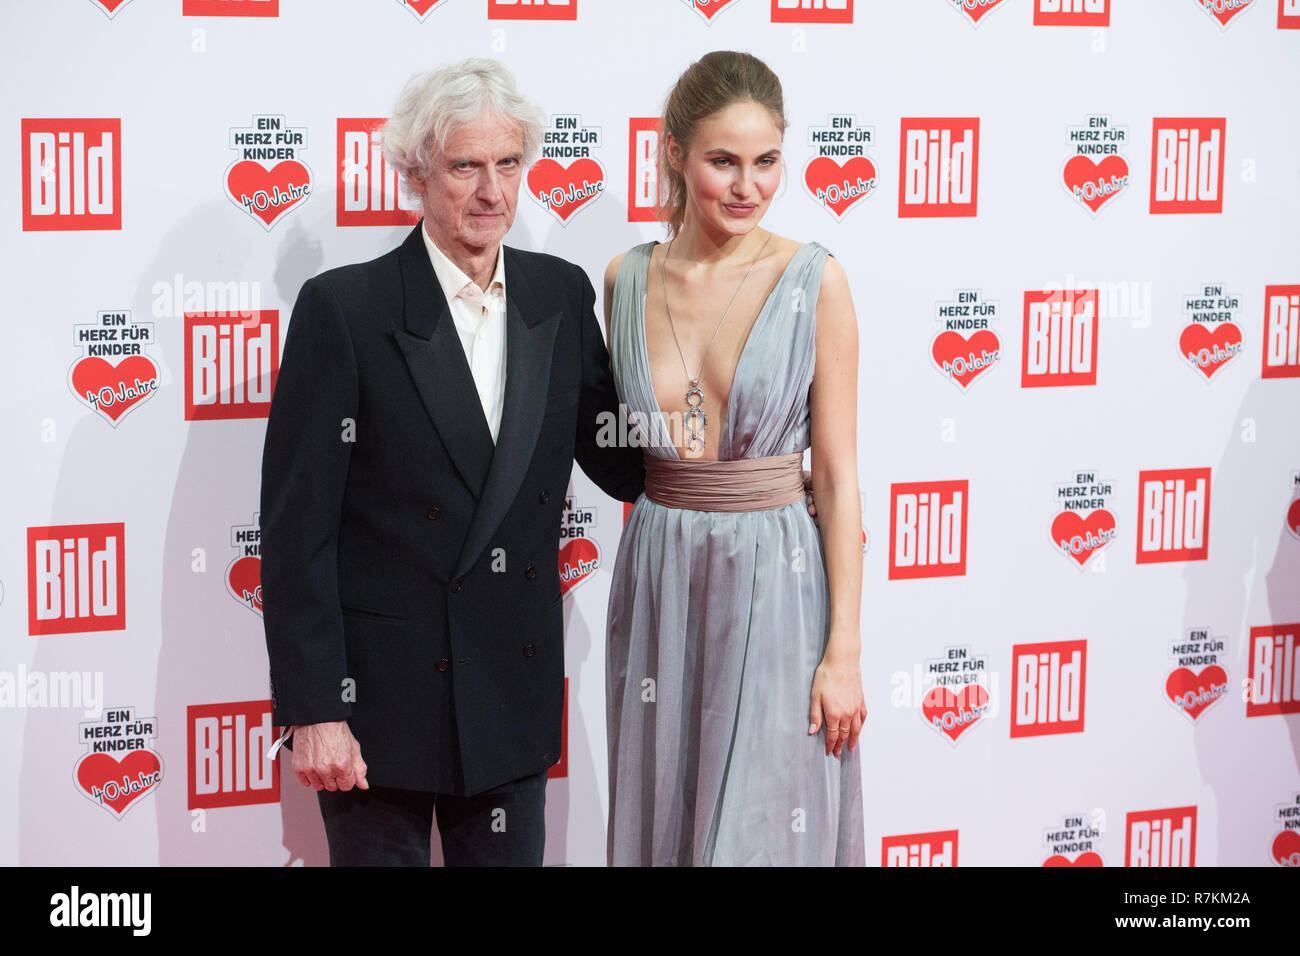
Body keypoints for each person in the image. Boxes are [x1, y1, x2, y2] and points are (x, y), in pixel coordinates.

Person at [259, 58, 644, 867]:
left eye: (509, 164)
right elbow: (298, 534)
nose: (493, 191)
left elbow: (622, 461)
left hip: (510, 693)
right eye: (466, 165)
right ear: (416, 172)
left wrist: (768, 476)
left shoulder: (559, 295)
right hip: (378, 713)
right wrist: (317, 709)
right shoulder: (346, 311)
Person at [603, 51, 867, 866]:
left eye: (766, 161)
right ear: (674, 153)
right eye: (723, 161)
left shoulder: (814, 281)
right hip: (660, 572)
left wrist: (845, 652)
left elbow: (836, 475)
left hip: (778, 574)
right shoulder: (623, 279)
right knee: (665, 814)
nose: (747, 185)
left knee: (765, 828)